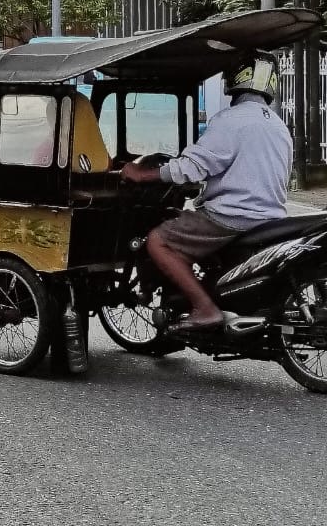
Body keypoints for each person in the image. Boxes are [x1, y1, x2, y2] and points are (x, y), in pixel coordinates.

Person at [122, 52, 291, 331]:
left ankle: (204, 308)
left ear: (235, 80)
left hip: (231, 217)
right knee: (185, 222)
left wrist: (143, 174)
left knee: (158, 241)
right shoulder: (277, 125)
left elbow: (193, 167)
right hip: (270, 216)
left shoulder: (231, 119)